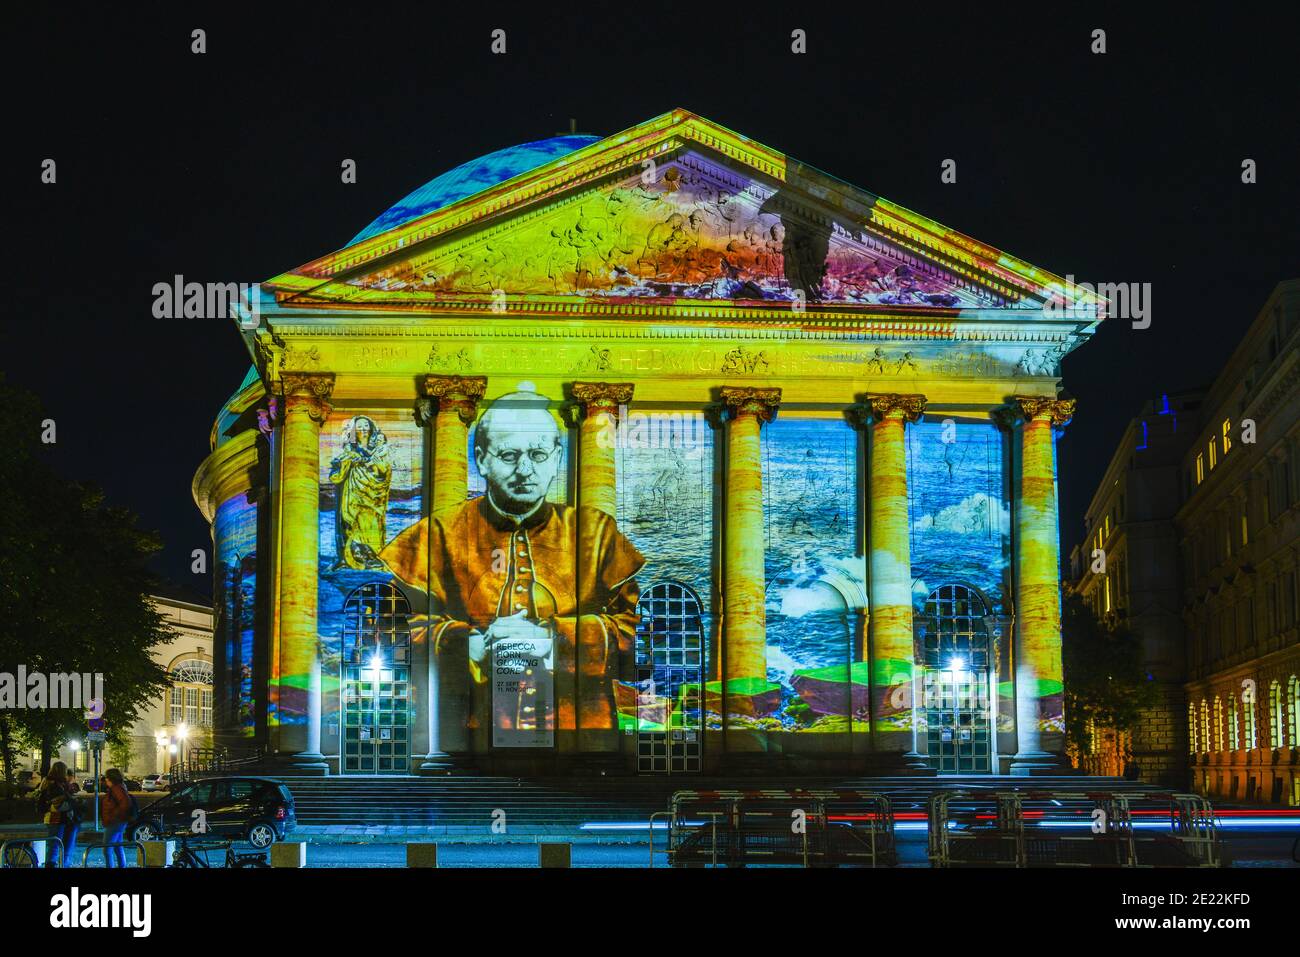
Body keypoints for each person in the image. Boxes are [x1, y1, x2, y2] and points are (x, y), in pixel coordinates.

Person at [380, 388, 644, 744]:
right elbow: (394, 627)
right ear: (482, 460)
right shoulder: (437, 534)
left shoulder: (596, 533)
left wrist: (552, 640)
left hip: (580, 736)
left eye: (537, 455)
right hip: (464, 737)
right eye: (508, 455)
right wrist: (467, 644)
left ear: (556, 458)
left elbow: (635, 631)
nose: (525, 470)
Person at [36, 762, 80, 867]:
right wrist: (73, 804)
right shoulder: (55, 785)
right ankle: (51, 865)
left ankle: (53, 864)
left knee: (54, 845)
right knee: (55, 846)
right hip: (57, 819)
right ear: (61, 771)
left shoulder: (48, 782)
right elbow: (58, 805)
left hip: (52, 818)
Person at [100, 769, 132, 867]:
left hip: (114, 823)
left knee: (107, 850)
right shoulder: (118, 787)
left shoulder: (116, 789)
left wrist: (113, 815)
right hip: (118, 822)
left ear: (110, 779)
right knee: (118, 847)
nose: (105, 780)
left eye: (106, 778)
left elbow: (125, 803)